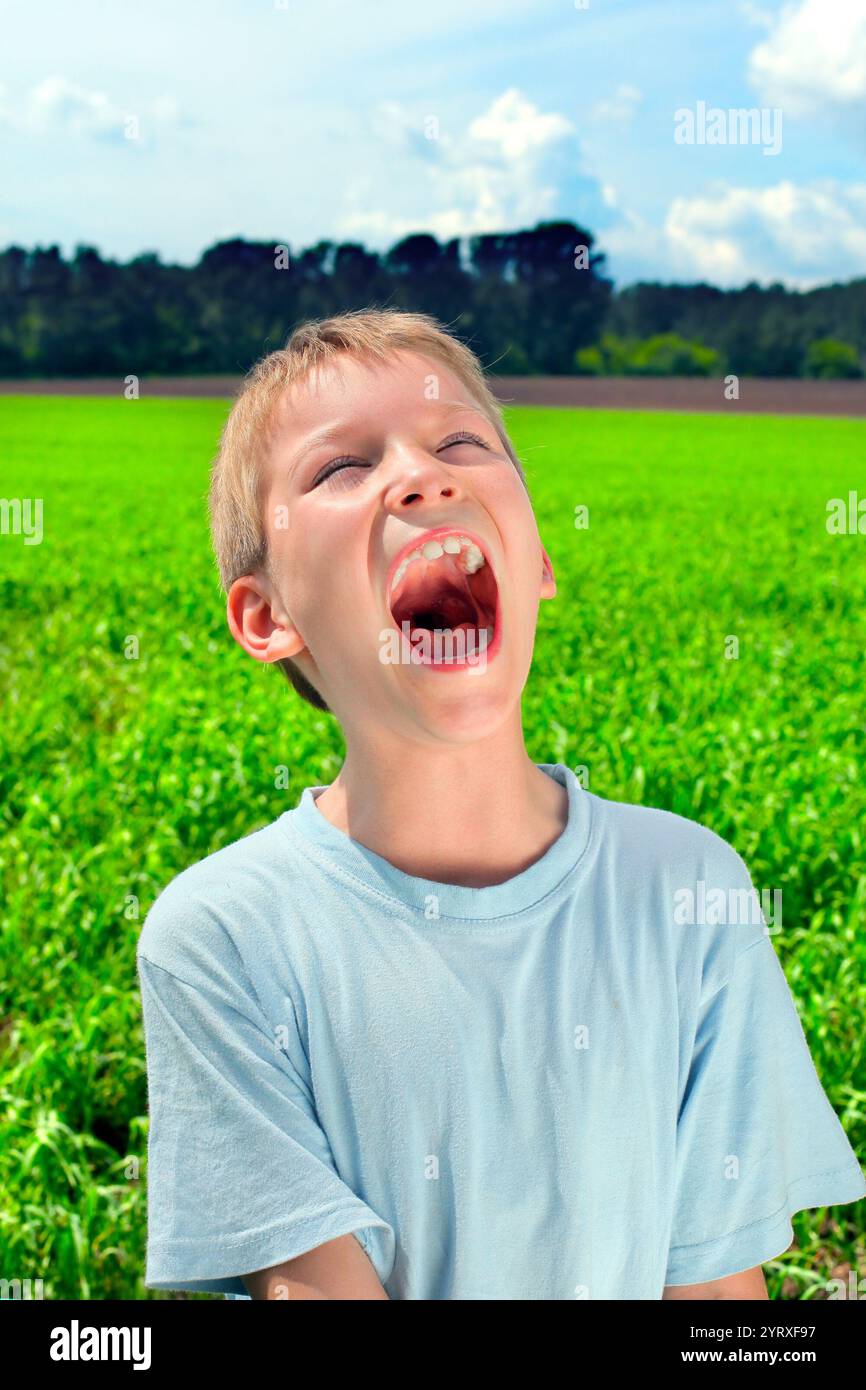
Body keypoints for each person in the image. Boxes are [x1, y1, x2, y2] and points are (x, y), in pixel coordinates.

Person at [137, 308, 865, 1300]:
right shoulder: (223, 935)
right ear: (266, 615)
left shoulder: (690, 889)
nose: (423, 477)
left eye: (460, 444)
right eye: (341, 467)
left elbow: (717, 1298)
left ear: (536, 562)